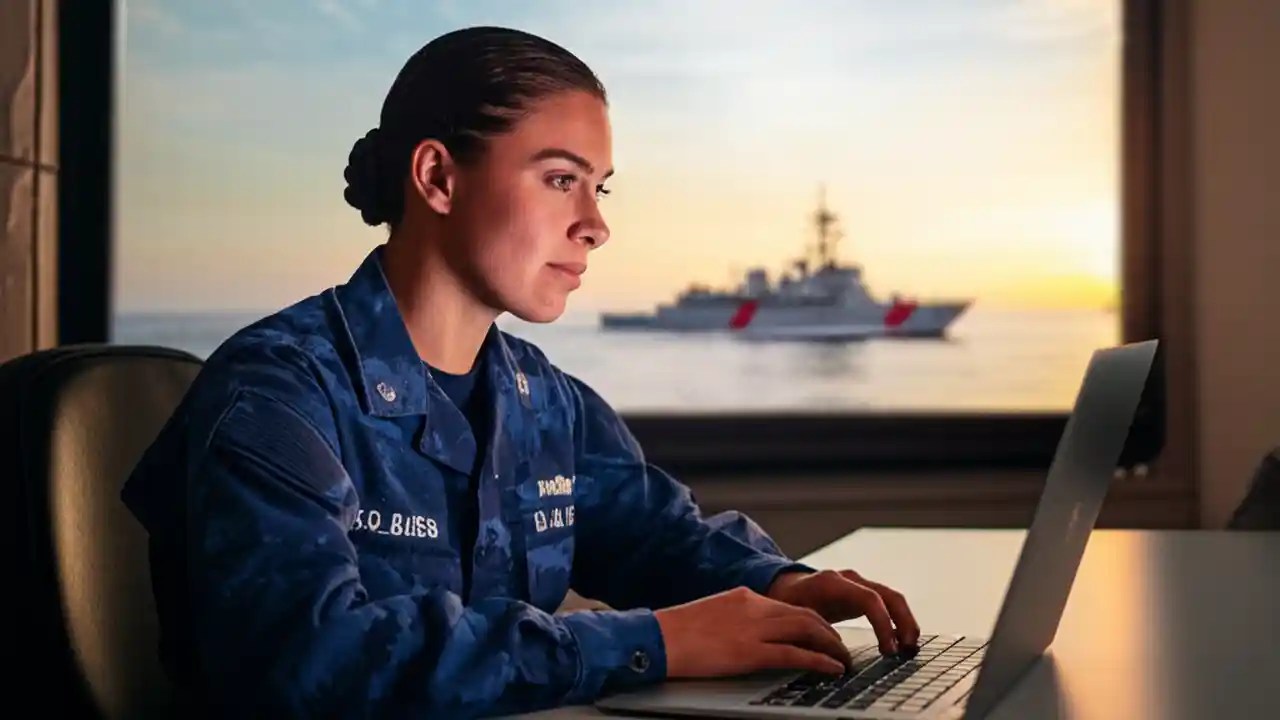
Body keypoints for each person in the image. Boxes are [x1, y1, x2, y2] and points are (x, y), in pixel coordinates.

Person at [121, 25, 919, 719]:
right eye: (561, 179)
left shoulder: (540, 398)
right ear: (438, 178)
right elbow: (311, 662)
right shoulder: (278, 391)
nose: (597, 225)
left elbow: (652, 532)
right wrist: (652, 644)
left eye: (599, 189)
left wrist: (779, 585)